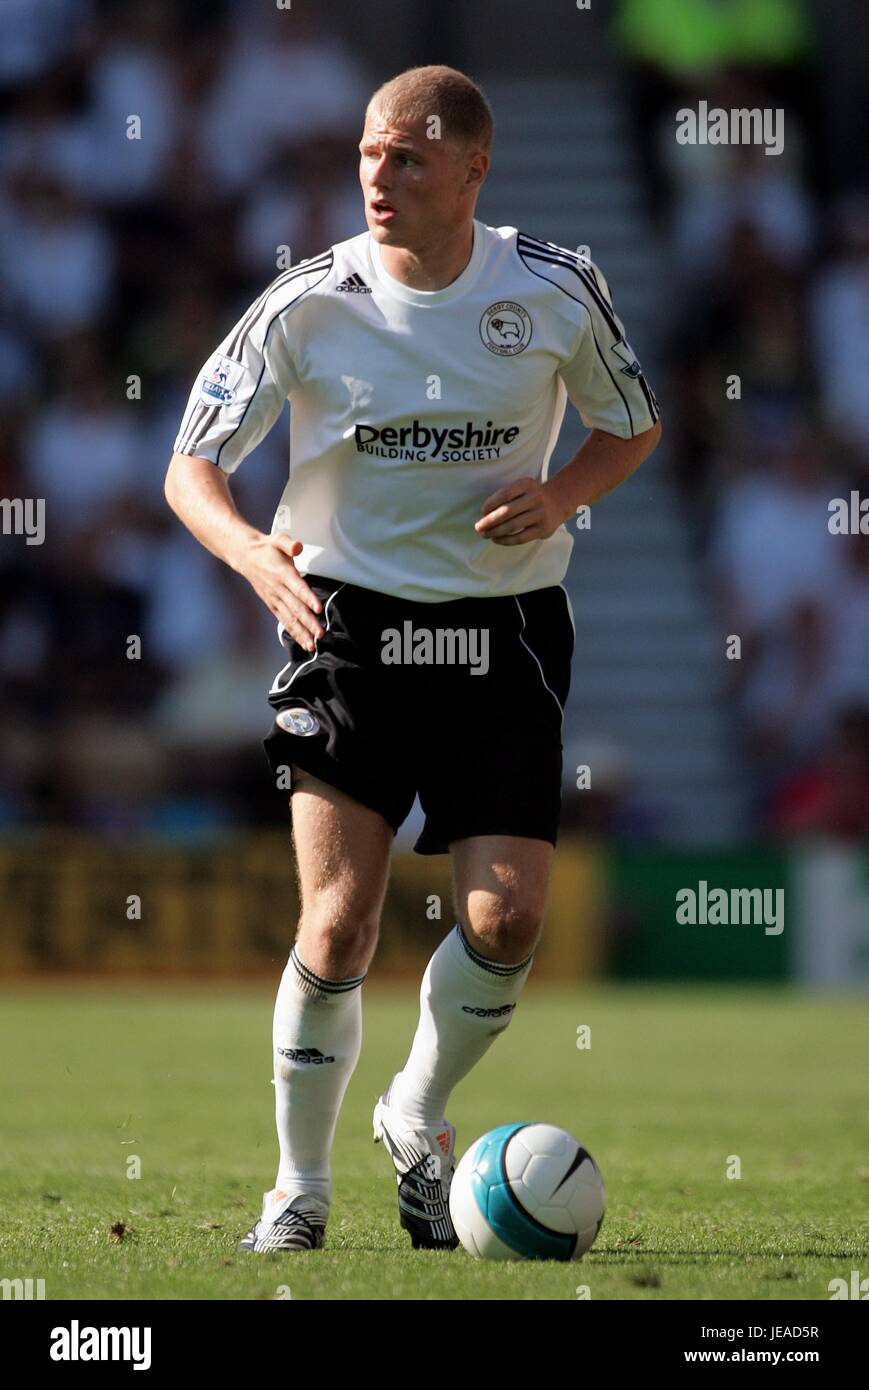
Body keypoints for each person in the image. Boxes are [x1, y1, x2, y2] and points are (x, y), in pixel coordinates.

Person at [164, 64, 662, 1253]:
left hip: (503, 636)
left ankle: (414, 1108)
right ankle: (297, 1189)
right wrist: (249, 554)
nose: (378, 179)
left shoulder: (554, 288)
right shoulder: (307, 301)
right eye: (368, 156)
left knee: (507, 918)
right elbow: (191, 465)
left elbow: (631, 423)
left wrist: (561, 493)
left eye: (409, 158)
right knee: (337, 924)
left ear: (473, 169)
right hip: (346, 630)